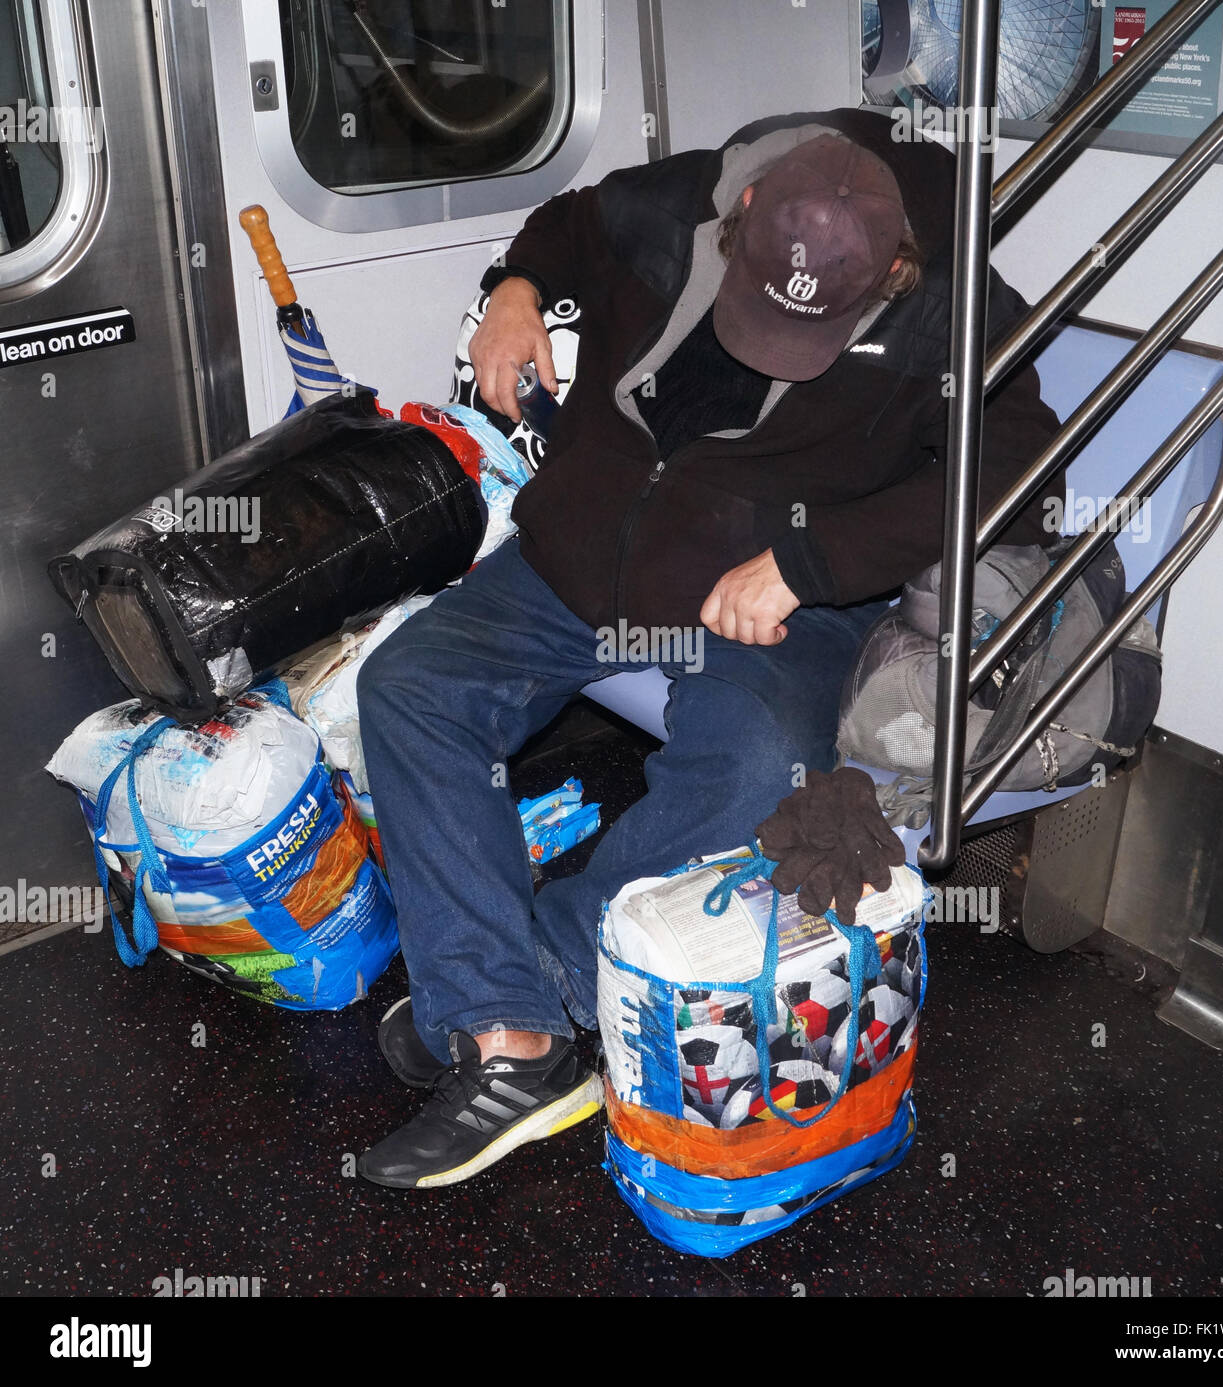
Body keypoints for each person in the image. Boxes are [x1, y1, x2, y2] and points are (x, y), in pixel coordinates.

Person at [355, 108, 1061, 1189]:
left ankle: (531, 982)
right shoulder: (678, 198)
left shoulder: (951, 311)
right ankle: (515, 1025)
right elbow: (565, 218)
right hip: (590, 546)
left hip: (775, 588)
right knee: (409, 685)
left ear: (895, 271)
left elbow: (1020, 476)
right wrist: (514, 290)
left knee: (751, 771)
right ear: (741, 211)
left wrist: (813, 561)